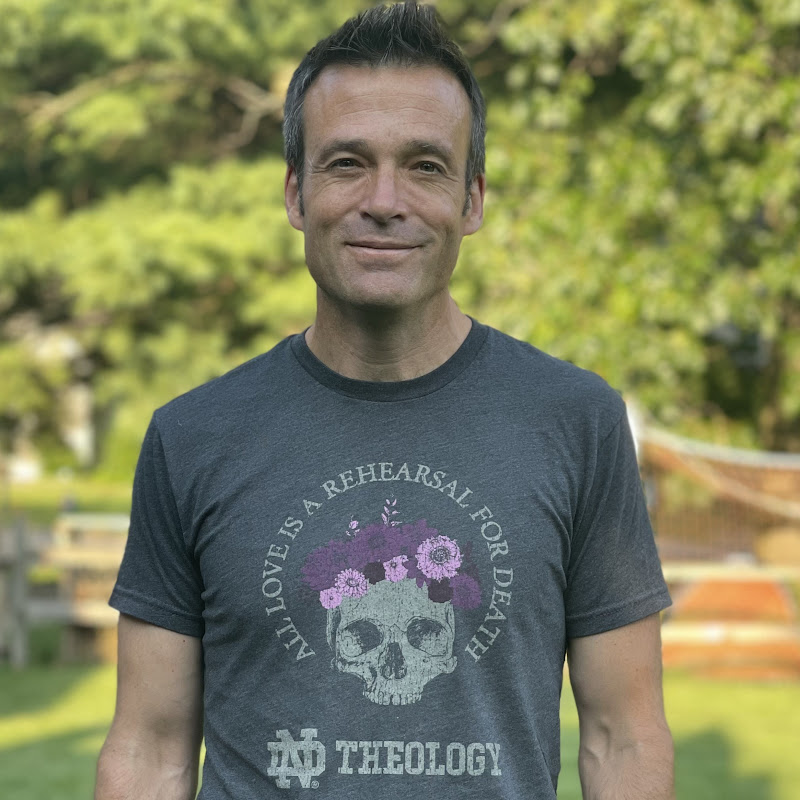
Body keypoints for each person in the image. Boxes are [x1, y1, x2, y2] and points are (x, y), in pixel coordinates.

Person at [95, 3, 674, 799]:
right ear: (296, 195)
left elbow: (624, 738)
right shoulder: (192, 436)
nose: (384, 199)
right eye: (347, 163)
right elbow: (149, 748)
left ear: (472, 201)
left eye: (426, 167)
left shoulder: (576, 422)